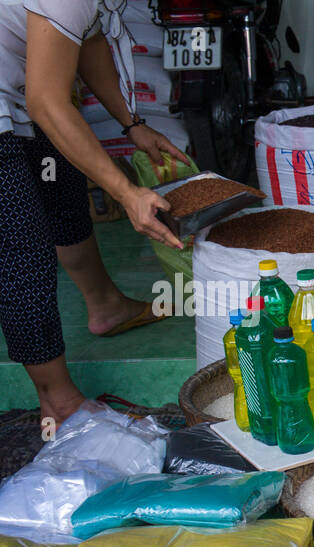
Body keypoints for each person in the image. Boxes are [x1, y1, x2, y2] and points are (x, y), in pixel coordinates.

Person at [1, 0, 187, 424]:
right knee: (22, 252)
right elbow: (47, 103)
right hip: (20, 101)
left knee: (60, 189)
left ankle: (106, 305)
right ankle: (59, 402)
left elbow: (88, 40)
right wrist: (125, 191)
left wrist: (133, 124)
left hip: (20, 94)